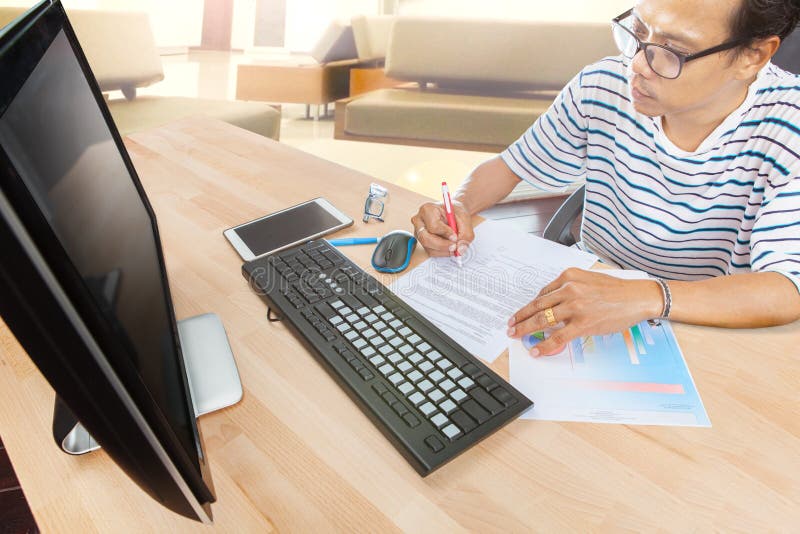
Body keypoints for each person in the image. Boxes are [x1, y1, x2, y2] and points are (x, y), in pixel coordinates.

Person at [411, 0, 800, 357]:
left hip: (708, 325)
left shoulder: (788, 128)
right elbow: (508, 166)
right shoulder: (603, 84)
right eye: (638, 31)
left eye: (673, 52)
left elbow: (785, 289)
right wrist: (458, 207)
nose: (637, 64)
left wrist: (646, 295)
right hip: (588, 291)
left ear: (754, 55)